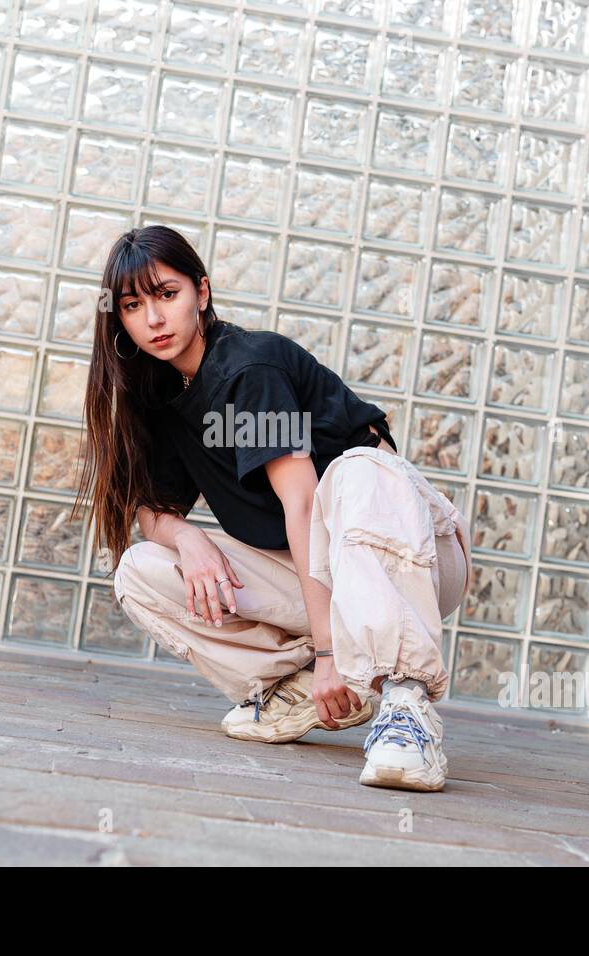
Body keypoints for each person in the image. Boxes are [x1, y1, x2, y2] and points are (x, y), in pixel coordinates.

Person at [74, 225, 472, 792]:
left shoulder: (249, 368)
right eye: (134, 306)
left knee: (356, 468)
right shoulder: (163, 396)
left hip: (414, 558)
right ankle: (299, 691)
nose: (154, 320)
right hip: (323, 578)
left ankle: (404, 705)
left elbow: (303, 501)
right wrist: (189, 539)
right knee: (142, 570)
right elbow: (150, 509)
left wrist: (333, 650)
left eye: (167, 295)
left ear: (202, 293)